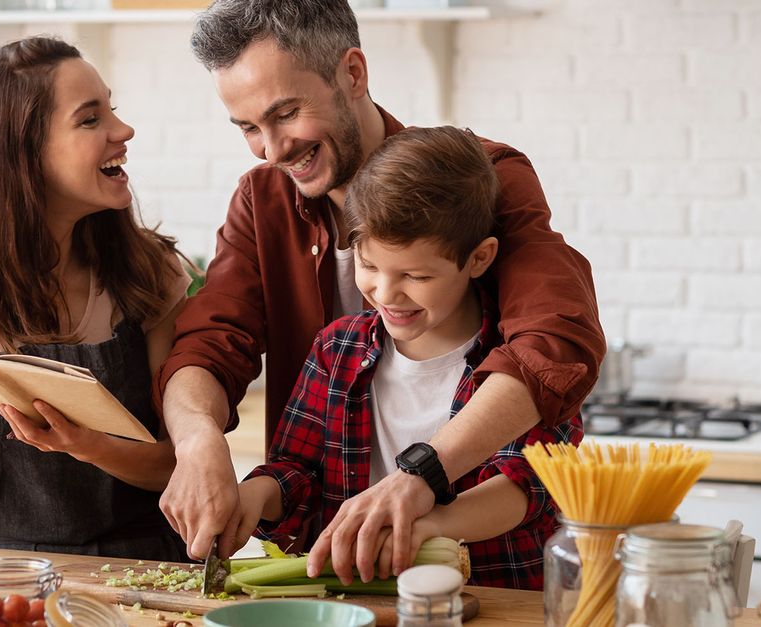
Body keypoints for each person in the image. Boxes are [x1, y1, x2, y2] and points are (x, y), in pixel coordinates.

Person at [154, 0, 605, 582]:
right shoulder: (262, 201)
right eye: (247, 128)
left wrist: (422, 478)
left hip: (490, 580)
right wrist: (196, 439)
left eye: (286, 113)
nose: (270, 150)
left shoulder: (480, 178)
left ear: (353, 73)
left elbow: (553, 344)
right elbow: (210, 342)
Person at [0, 36, 191, 560]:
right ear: (21, 154)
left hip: (155, 569)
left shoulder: (148, 273)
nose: (123, 130)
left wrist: (85, 444)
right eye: (90, 120)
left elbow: (179, 466)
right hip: (24, 581)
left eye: (111, 109)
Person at [236, 127, 582, 590]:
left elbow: (531, 484)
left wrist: (429, 527)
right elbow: (297, 473)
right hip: (364, 607)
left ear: (479, 258)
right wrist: (254, 496)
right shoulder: (336, 349)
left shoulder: (520, 363)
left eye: (416, 275)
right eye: (369, 265)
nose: (385, 292)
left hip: (496, 603)